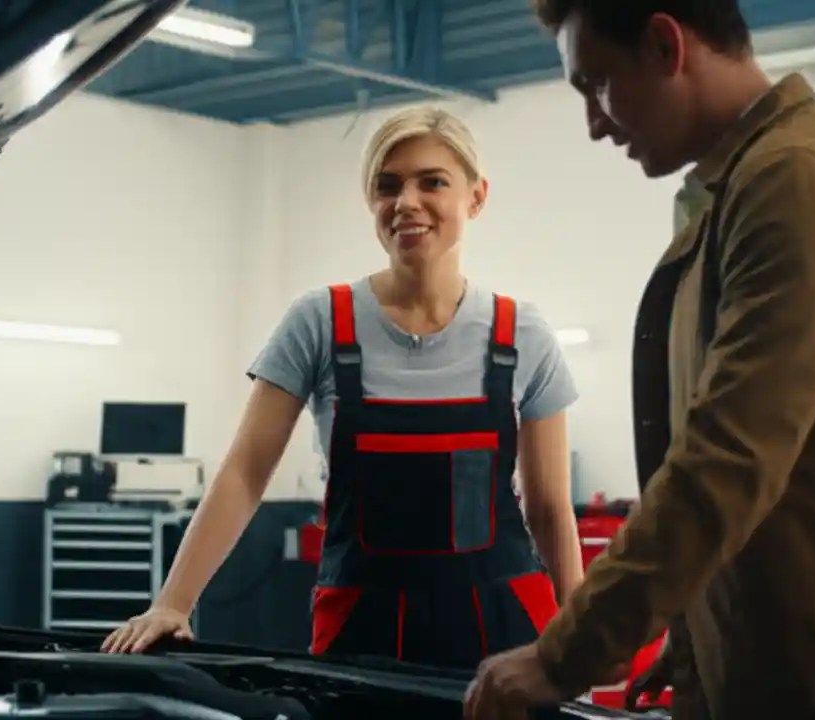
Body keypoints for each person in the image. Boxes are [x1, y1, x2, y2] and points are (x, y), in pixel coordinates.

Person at [464, 2, 815, 720]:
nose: (594, 123)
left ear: (665, 44)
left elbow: (732, 452)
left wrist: (563, 655)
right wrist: (700, 633)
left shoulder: (796, 177)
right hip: (796, 651)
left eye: (597, 83)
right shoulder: (741, 185)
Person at [100, 106, 587, 671]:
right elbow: (245, 472)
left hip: (506, 629)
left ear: (476, 197)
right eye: (388, 186)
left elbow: (549, 507)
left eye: (432, 181)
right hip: (362, 627)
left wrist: (584, 629)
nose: (406, 202)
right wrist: (172, 603)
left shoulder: (521, 333)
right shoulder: (321, 323)